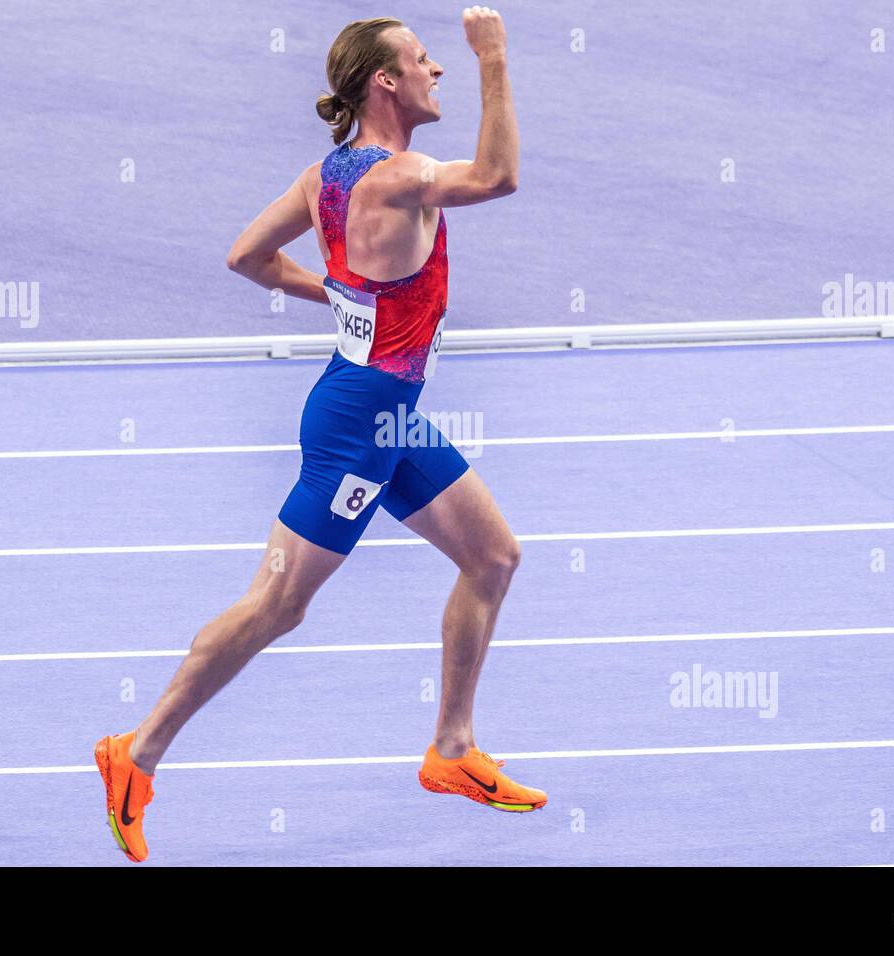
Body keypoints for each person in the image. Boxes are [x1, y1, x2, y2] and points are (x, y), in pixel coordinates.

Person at [94, 7, 544, 864]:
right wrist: (494, 57)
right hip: (356, 428)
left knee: (492, 557)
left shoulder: (324, 176)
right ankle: (136, 752)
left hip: (384, 412)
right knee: (277, 605)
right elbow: (497, 176)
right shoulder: (400, 177)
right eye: (424, 59)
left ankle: (451, 749)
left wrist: (344, 295)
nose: (437, 70)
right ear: (386, 82)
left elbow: (247, 257)